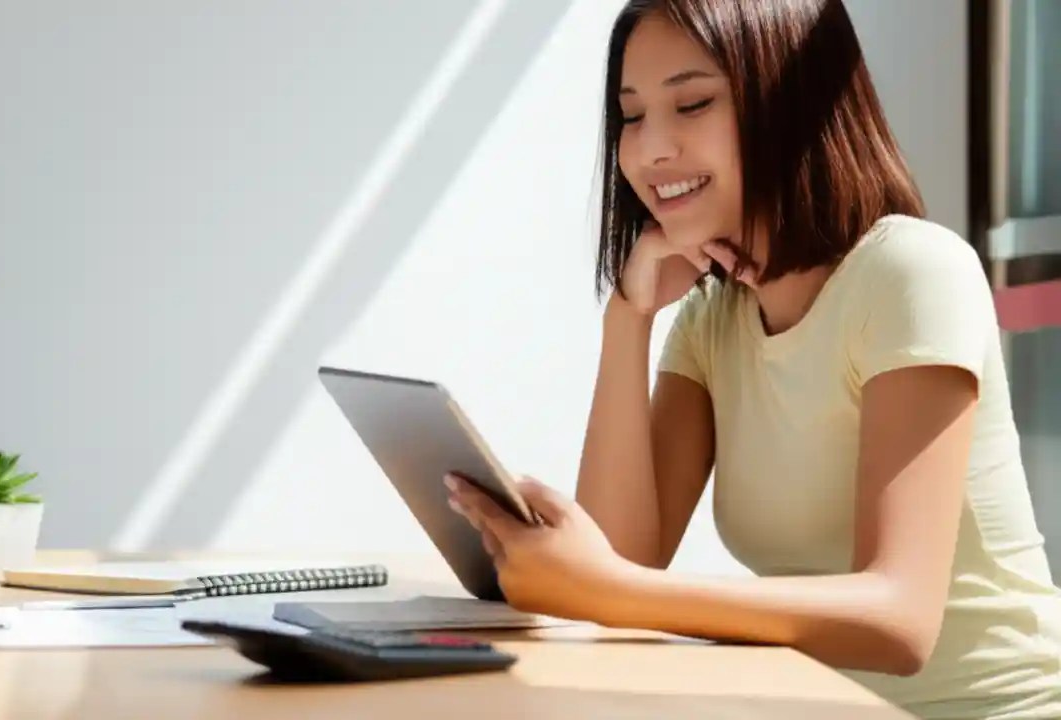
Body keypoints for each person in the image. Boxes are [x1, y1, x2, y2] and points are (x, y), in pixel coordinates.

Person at [444, 1, 1061, 718]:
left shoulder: (912, 274)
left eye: (693, 103)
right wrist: (628, 317)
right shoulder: (714, 321)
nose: (650, 150)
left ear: (788, 107)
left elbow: (900, 620)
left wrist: (604, 586)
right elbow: (623, 556)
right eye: (633, 115)